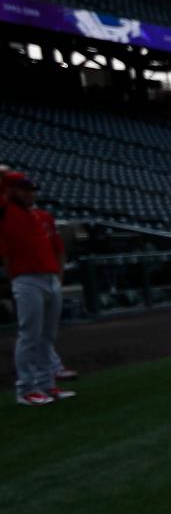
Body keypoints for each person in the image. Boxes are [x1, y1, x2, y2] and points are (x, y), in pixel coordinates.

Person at [2, 171, 75, 406]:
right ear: (12, 191)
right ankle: (26, 389)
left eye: (32, 190)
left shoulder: (41, 215)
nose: (30, 194)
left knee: (47, 336)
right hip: (26, 279)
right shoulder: (6, 211)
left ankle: (46, 384)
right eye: (24, 190)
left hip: (50, 278)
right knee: (29, 335)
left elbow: (59, 250)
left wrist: (59, 277)